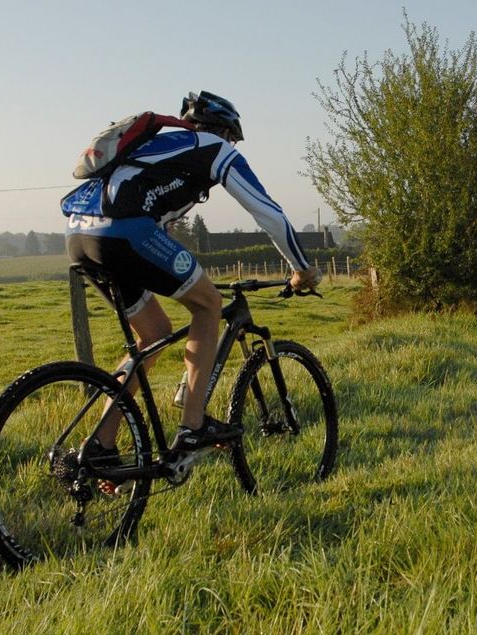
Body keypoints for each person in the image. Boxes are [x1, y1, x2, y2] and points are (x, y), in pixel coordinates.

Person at [60, 91, 321, 462]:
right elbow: (267, 213)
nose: (231, 144)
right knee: (208, 303)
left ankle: (101, 445)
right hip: (123, 232)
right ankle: (193, 426)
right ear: (225, 131)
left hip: (78, 234)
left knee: (152, 336)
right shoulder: (215, 148)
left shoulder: (156, 147)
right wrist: (301, 268)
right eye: (232, 138)